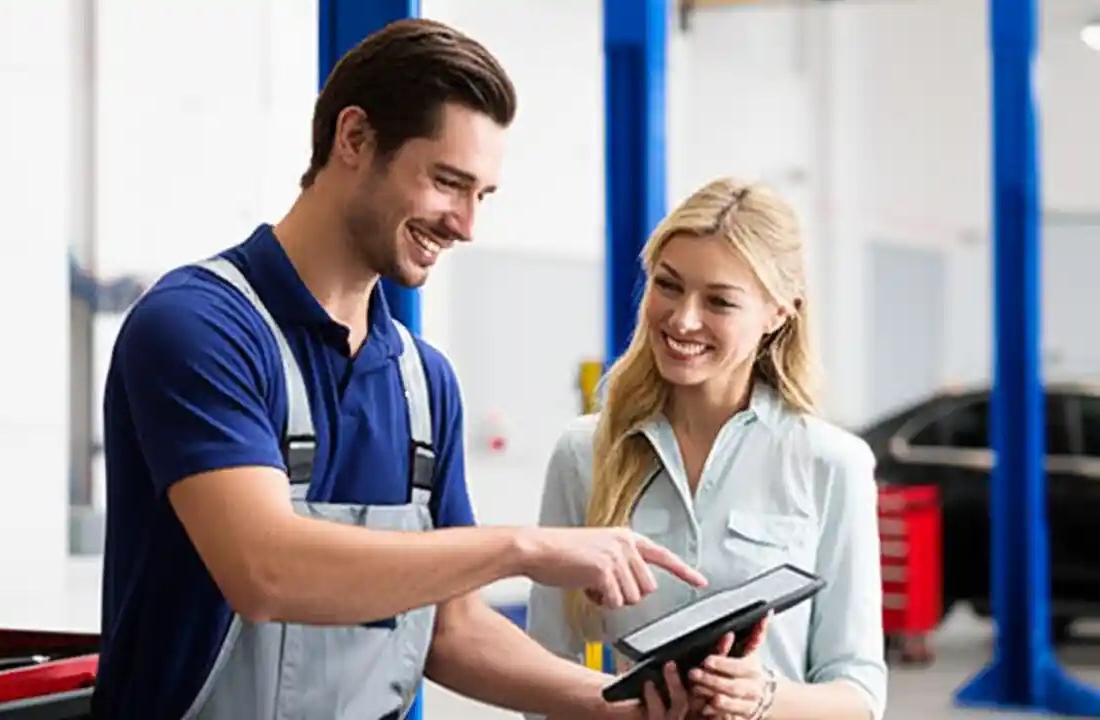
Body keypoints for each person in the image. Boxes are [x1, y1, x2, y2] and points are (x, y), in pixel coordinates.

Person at [91, 18, 711, 720]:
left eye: (483, 195)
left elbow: (456, 630)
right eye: (448, 182)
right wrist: (524, 548)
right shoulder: (200, 327)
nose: (467, 225)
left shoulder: (423, 385)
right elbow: (265, 569)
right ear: (354, 139)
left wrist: (623, 706)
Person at [525, 178, 888, 720]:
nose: (683, 319)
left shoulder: (832, 464)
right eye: (668, 286)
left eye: (718, 300)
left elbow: (859, 694)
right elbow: (543, 667)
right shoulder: (584, 454)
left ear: (778, 314)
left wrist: (763, 696)